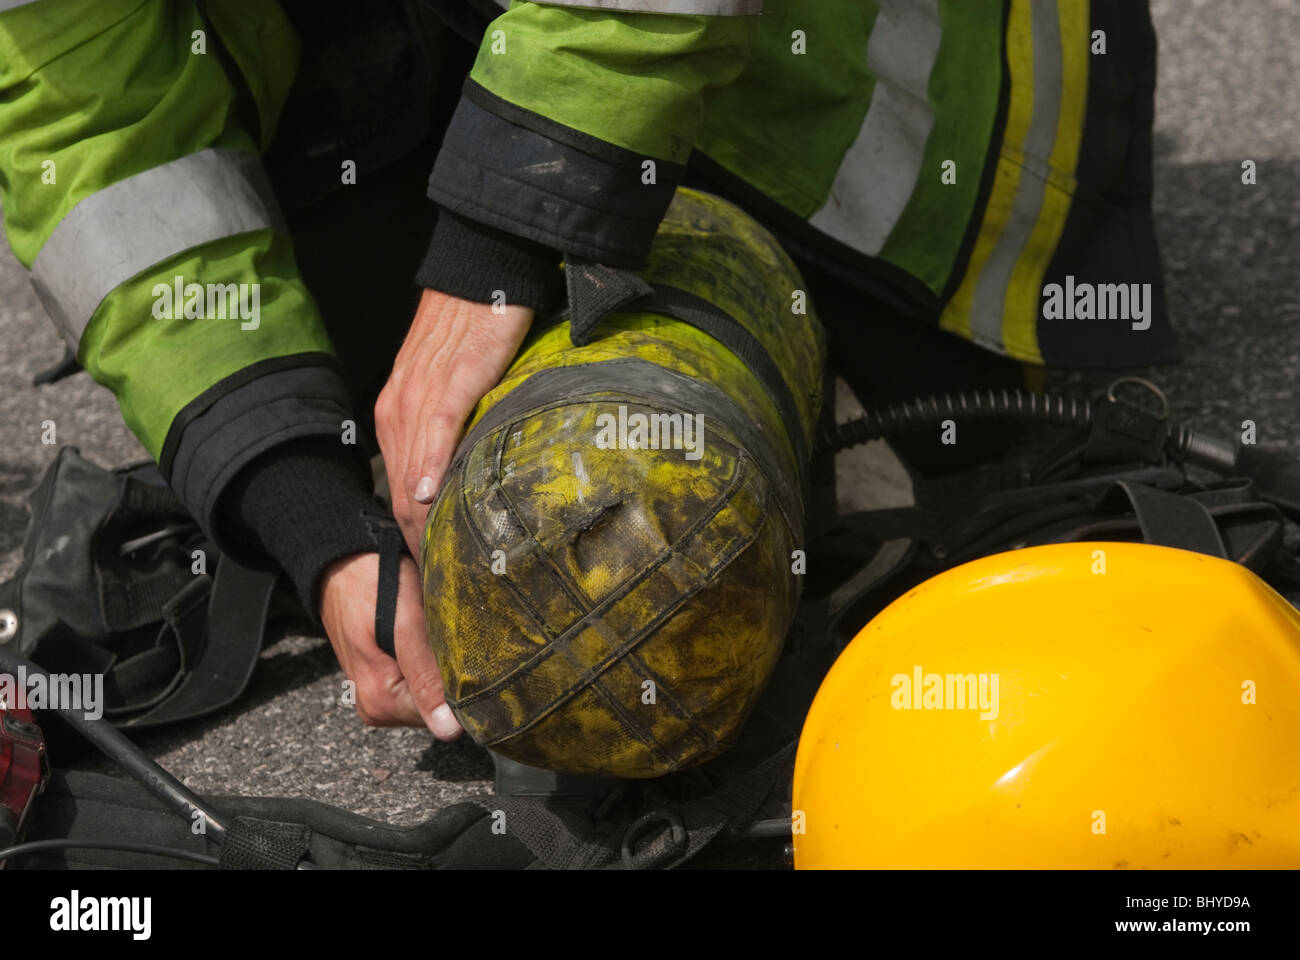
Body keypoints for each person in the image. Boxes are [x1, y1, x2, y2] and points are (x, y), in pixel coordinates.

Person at [0, 0, 1170, 754]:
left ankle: (832, 362)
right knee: (522, 494)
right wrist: (305, 509)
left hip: (864, 119)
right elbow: (98, 127)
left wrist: (496, 248)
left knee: (735, 487)